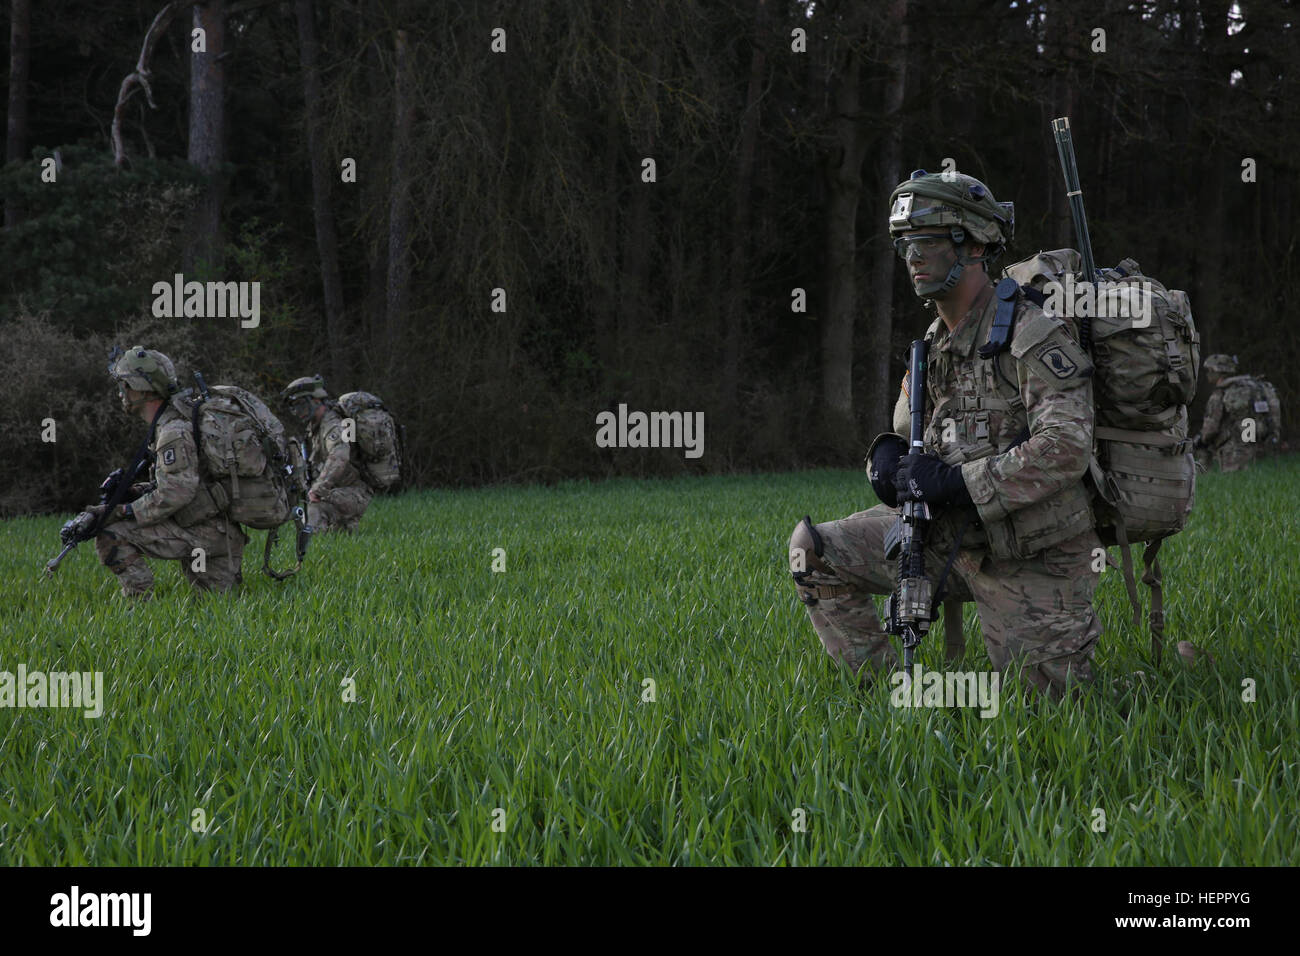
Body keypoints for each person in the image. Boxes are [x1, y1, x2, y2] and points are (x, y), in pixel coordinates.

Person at [788, 170, 1102, 700]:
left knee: (1048, 712)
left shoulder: (1030, 334)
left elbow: (1067, 447)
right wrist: (887, 463)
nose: (913, 257)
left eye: (929, 242)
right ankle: (883, 695)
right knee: (810, 550)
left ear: (975, 245)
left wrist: (959, 483)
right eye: (906, 244)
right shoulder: (934, 341)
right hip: (948, 543)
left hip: (1031, 557)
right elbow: (912, 435)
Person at [91, 346, 246, 598]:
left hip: (202, 533)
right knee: (218, 606)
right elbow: (181, 482)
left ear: (141, 388)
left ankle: (141, 606)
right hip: (218, 533)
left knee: (111, 534)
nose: (122, 393)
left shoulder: (172, 432)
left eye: (125, 386)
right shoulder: (176, 421)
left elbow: (177, 492)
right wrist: (131, 492)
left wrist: (124, 511)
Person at [280, 375, 372, 532]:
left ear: (315, 401)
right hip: (338, 492)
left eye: (300, 405)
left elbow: (340, 457)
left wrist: (318, 489)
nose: (297, 411)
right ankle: (345, 528)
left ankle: (316, 543)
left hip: (354, 493)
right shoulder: (315, 427)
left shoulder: (333, 425)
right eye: (293, 407)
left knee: (313, 513)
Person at [1194, 354, 1282, 472]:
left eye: (1209, 371)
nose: (1207, 374)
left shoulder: (1221, 393)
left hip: (1234, 450)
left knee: (1235, 484)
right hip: (1263, 444)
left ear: (1217, 372)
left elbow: (1211, 428)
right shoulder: (1257, 387)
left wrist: (1201, 441)